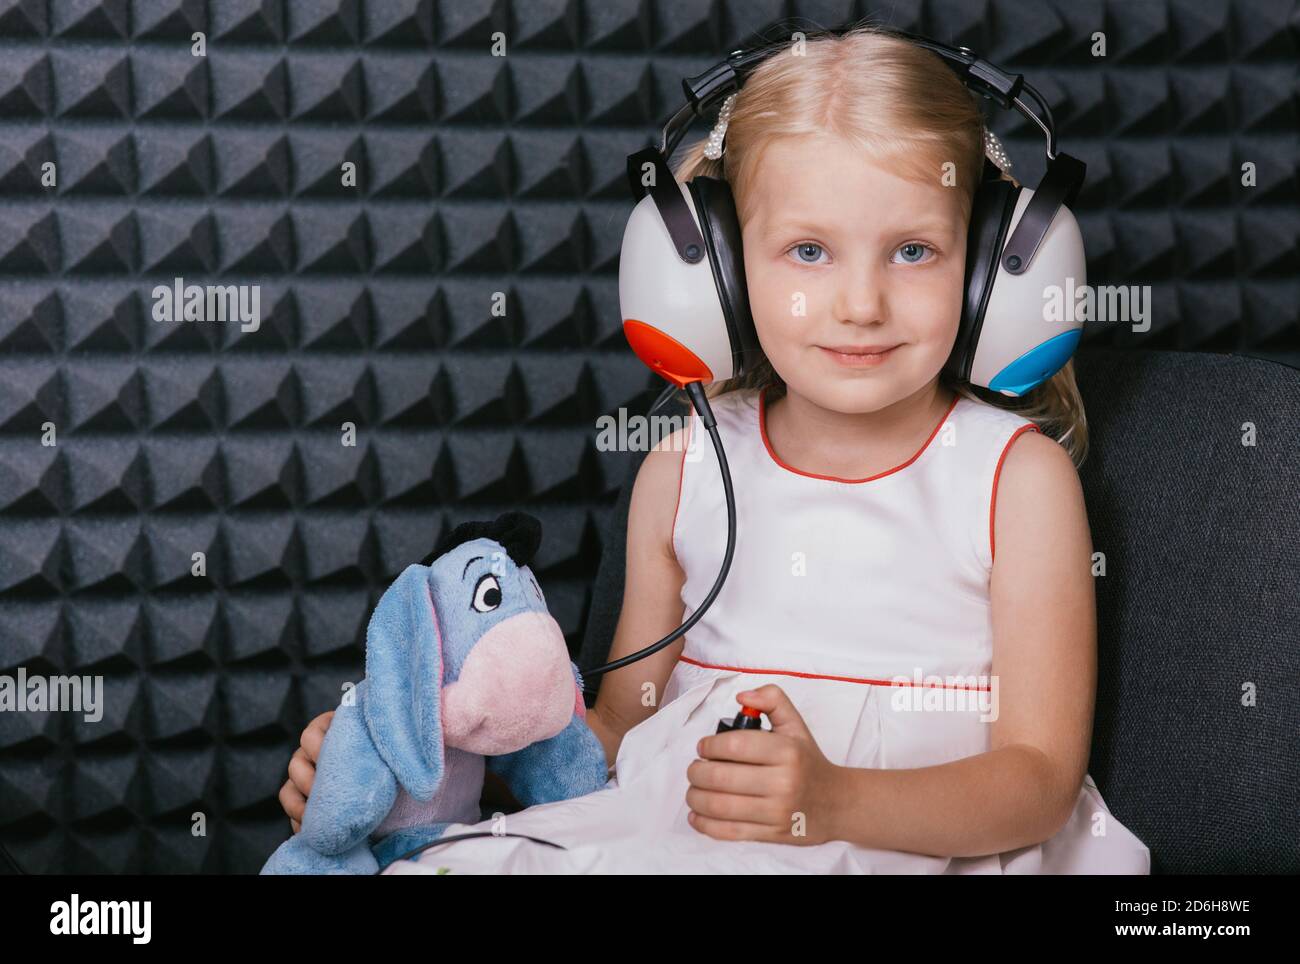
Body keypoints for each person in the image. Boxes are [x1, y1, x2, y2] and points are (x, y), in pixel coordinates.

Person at [279, 24, 1150, 874]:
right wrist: (406, 756)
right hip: (679, 835)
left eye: (914, 251)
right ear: (718, 271)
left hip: (905, 840)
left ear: (988, 268)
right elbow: (619, 732)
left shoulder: (1013, 480)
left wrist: (835, 802)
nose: (859, 302)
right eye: (808, 250)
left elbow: (1038, 781)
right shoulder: (688, 467)